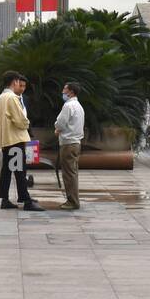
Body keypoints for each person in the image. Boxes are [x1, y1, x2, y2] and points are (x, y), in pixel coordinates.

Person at [0, 71, 41, 211]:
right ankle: (26, 201)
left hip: (6, 140)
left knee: (7, 171)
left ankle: (5, 199)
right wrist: (27, 124)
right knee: (20, 170)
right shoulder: (11, 98)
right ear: (14, 82)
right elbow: (20, 120)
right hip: (15, 140)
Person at [54, 82, 85, 210]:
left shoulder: (68, 106)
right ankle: (73, 200)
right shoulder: (78, 106)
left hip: (68, 144)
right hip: (76, 143)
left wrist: (57, 129)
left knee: (69, 174)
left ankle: (72, 202)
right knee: (73, 172)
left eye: (64, 89)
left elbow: (60, 123)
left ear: (71, 92)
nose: (62, 92)